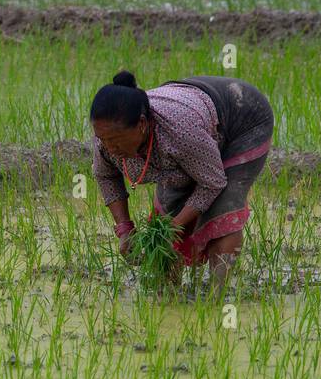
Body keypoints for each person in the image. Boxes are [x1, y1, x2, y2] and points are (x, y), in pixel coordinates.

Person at [89, 71, 274, 293]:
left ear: (141, 124)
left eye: (115, 141)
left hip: (242, 117)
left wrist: (174, 228)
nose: (109, 148)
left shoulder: (179, 133)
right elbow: (106, 176)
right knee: (167, 211)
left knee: (223, 208)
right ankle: (169, 292)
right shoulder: (106, 136)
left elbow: (212, 183)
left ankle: (216, 296)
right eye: (103, 139)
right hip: (195, 126)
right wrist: (125, 229)